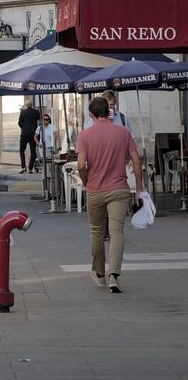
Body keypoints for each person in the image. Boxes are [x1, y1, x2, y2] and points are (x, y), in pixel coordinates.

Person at [77, 95, 143, 293]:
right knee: (116, 233)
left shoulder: (84, 135)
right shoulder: (123, 132)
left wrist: (86, 182)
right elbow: (136, 161)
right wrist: (139, 188)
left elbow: (81, 165)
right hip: (119, 189)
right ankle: (114, 274)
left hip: (95, 190)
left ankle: (98, 273)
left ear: (91, 114)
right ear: (109, 111)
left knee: (97, 231)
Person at [17, 99, 41, 173]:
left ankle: (23, 167)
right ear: (31, 105)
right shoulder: (36, 112)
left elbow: (19, 122)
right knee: (33, 151)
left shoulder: (23, 112)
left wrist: (24, 127)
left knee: (21, 150)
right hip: (34, 134)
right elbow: (40, 121)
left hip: (25, 133)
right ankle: (30, 168)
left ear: (26, 105)